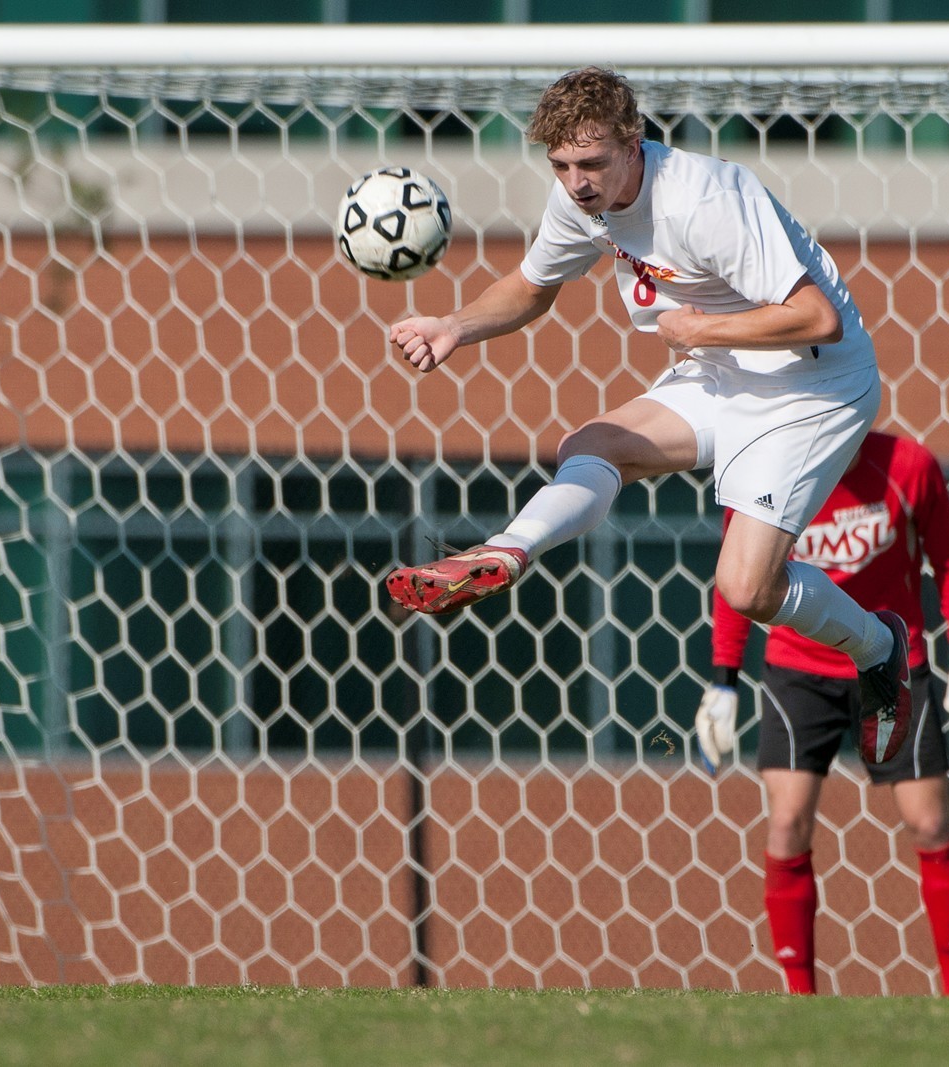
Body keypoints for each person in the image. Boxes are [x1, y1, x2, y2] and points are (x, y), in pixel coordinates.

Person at [383, 67, 912, 756]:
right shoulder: (580, 200)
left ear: (635, 142)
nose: (577, 181)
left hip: (813, 388)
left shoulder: (706, 199)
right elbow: (532, 285)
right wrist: (454, 326)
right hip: (723, 367)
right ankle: (506, 551)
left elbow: (818, 318)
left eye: (593, 163)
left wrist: (703, 333)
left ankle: (879, 645)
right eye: (562, 164)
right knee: (593, 443)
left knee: (746, 586)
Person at [694, 430, 949, 996]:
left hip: (892, 661)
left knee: (931, 823)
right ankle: (800, 999)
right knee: (786, 825)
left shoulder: (908, 465)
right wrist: (723, 682)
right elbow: (735, 576)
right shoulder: (769, 472)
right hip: (798, 667)